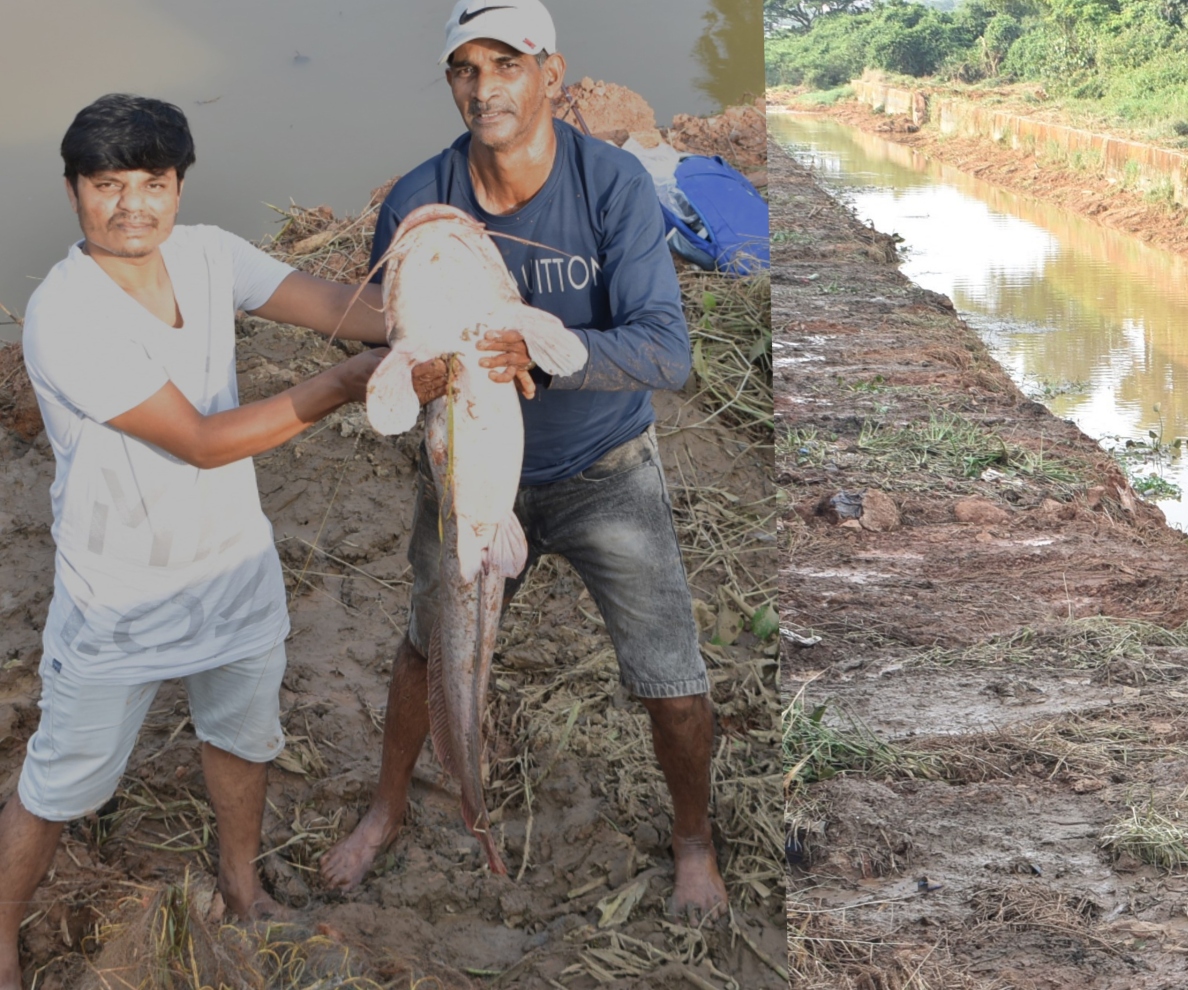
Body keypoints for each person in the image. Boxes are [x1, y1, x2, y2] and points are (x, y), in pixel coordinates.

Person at [0, 93, 429, 990]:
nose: (132, 207)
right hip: (119, 594)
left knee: (242, 735)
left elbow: (351, 310)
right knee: (59, 782)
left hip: (234, 570)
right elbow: (200, 441)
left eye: (153, 184)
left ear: (179, 186)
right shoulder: (63, 313)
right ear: (74, 190)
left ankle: (242, 888)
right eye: (107, 185)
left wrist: (444, 315)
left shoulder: (207, 255)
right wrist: (343, 387)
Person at [317, 0, 727, 917]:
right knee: (426, 652)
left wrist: (543, 353)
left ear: (552, 72)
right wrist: (410, 375)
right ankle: (390, 807)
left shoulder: (612, 183)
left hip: (604, 469)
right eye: (465, 68)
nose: (483, 86)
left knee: (670, 673)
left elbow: (668, 352)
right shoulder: (419, 206)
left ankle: (693, 839)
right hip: (466, 477)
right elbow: (388, 354)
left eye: (507, 64)